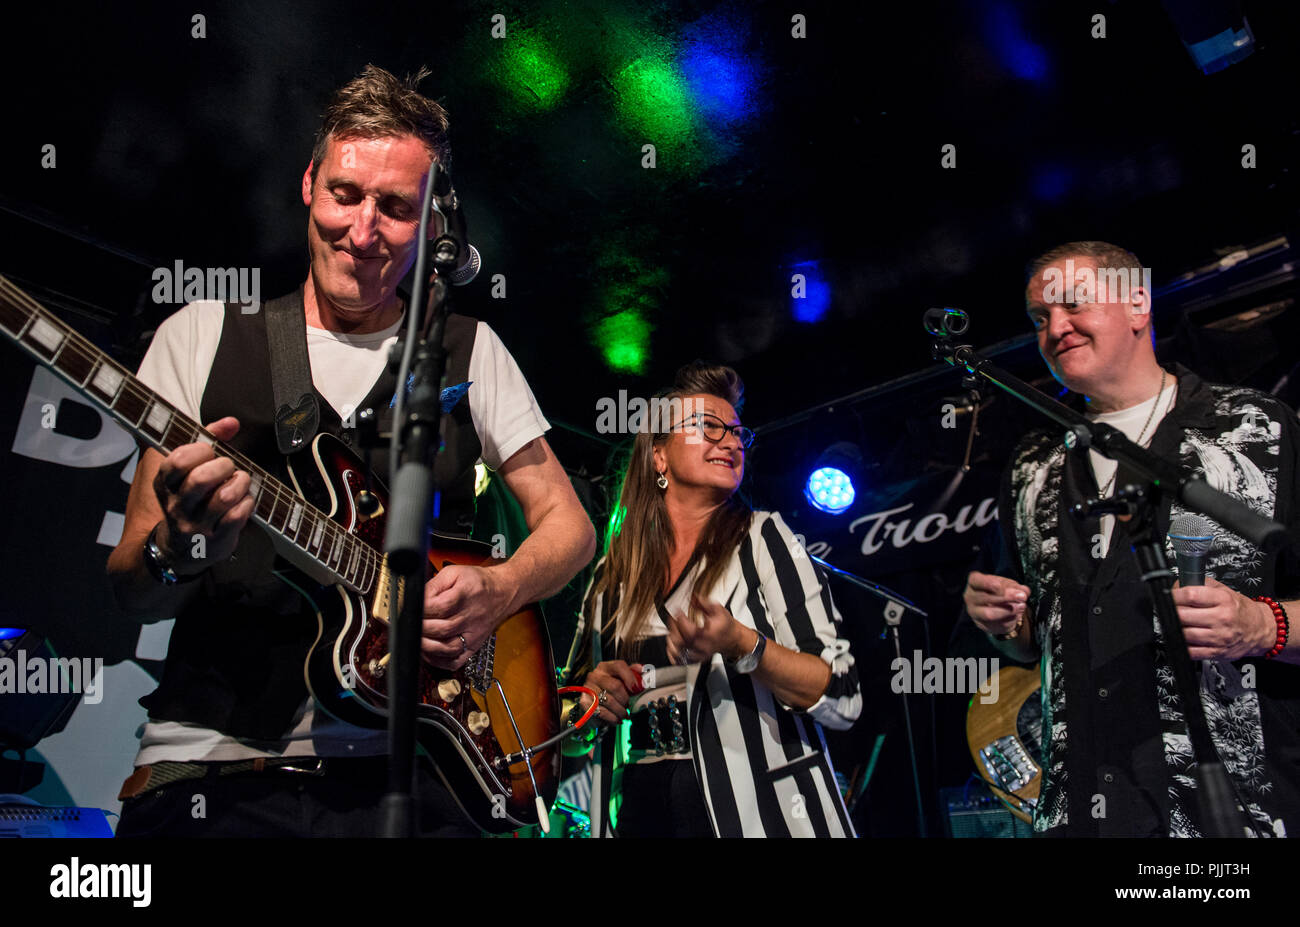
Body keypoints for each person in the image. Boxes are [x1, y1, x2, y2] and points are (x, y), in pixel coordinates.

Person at [106, 65, 596, 837]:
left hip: (417, 771)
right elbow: (134, 586)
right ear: (309, 183)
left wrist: (498, 591)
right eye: (346, 193)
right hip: (218, 768)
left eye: (396, 207)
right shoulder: (200, 337)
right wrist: (181, 547)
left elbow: (572, 528)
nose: (362, 231)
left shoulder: (470, 350)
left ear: (432, 224)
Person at [963, 240, 1300, 837]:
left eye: (1072, 305)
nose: (1054, 328)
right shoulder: (1033, 463)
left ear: (1138, 303)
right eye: (1039, 318)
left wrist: (1260, 625)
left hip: (1232, 812)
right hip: (1080, 811)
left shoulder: (1257, 428)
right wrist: (1004, 625)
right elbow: (1029, 643)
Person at [564, 363, 861, 837]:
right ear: (658, 455)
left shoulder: (763, 538)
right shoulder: (611, 577)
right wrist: (589, 700)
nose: (731, 442)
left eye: (739, 433)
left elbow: (842, 695)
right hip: (642, 806)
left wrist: (744, 644)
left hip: (762, 813)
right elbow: (566, 731)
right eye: (708, 427)